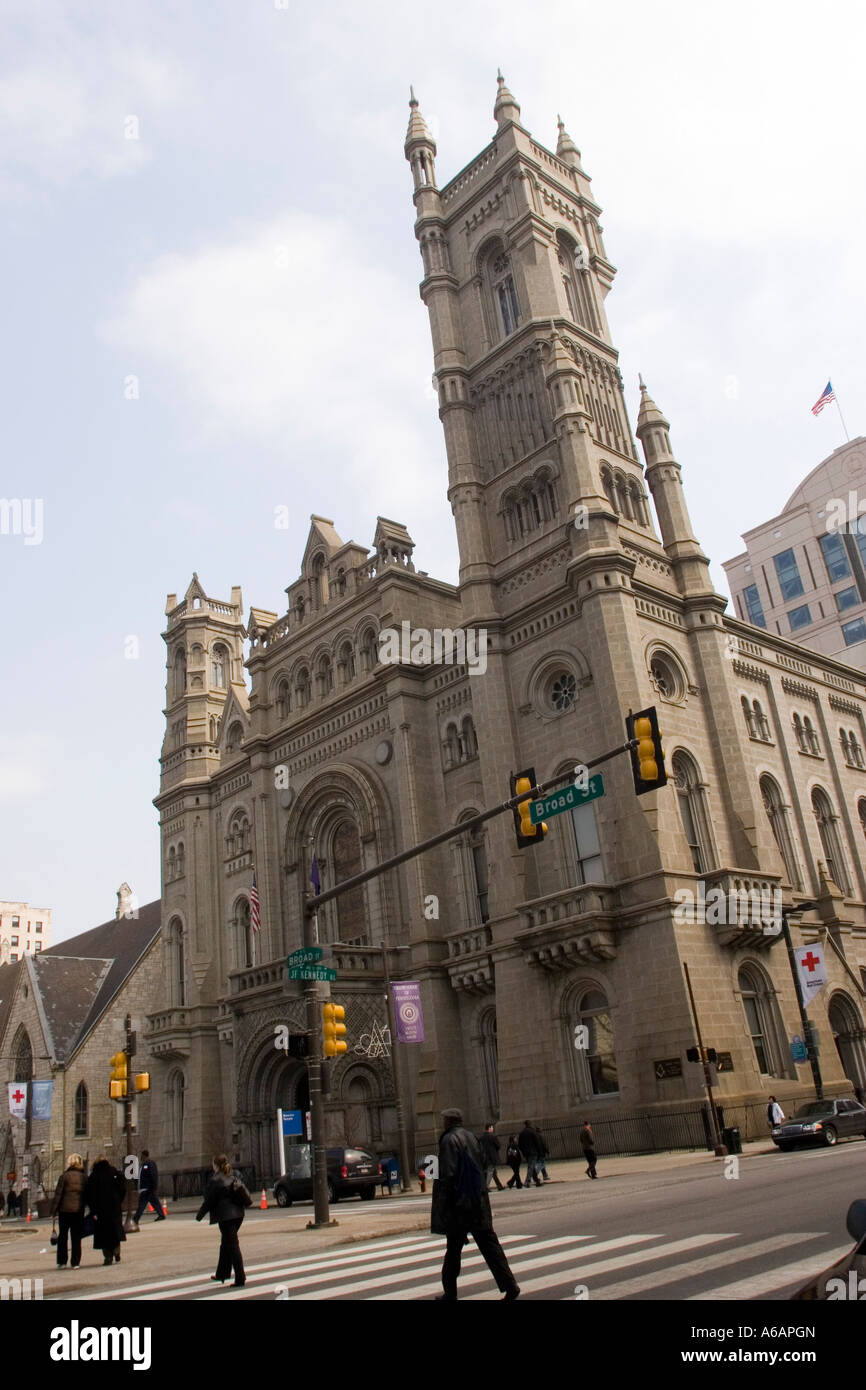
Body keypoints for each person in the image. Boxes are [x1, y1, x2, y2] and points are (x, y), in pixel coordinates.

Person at [431, 1108, 520, 1301]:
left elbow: (448, 1174)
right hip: (477, 1202)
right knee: (490, 1246)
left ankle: (450, 1293)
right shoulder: (472, 1137)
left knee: (453, 1251)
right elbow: (483, 1163)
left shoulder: (449, 1140)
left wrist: (444, 1205)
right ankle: (510, 1285)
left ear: (449, 1122)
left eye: (444, 1120)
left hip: (459, 1206)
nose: (442, 1123)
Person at [196, 1154, 251, 1287]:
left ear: (215, 1165)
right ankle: (222, 1274)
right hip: (238, 1215)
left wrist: (199, 1215)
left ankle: (240, 1277)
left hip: (226, 1217)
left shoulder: (215, 1180)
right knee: (226, 1243)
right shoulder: (233, 1175)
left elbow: (209, 1201)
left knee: (232, 1245)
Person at [84, 1157, 127, 1266]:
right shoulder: (114, 1172)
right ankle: (117, 1252)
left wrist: (93, 1210)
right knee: (115, 1231)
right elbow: (122, 1188)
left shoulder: (94, 1176)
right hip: (114, 1207)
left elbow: (90, 1195)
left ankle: (108, 1257)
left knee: (103, 1234)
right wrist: (118, 1200)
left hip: (100, 1209)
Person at [50, 1153, 86, 1269]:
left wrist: (54, 1211)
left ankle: (62, 1261)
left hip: (64, 1211)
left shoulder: (64, 1176)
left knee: (63, 1236)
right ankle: (75, 1262)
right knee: (76, 1237)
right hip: (78, 1211)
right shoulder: (84, 1177)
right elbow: (87, 1195)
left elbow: (58, 1194)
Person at [132, 1150, 165, 1229]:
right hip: (146, 1188)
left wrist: (153, 1186)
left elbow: (153, 1175)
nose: (141, 1157)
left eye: (142, 1155)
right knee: (154, 1202)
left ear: (144, 1155)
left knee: (142, 1204)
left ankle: (136, 1219)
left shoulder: (149, 1164)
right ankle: (161, 1214)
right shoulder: (144, 1165)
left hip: (147, 1188)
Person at [479, 1123, 504, 1191]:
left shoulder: (481, 1138)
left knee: (493, 1172)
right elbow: (498, 1146)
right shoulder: (493, 1136)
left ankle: (499, 1186)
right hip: (492, 1157)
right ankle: (486, 1187)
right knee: (490, 1171)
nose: (493, 1129)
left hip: (485, 1157)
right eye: (492, 1127)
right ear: (489, 1128)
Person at [518, 1120, 542, 1188]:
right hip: (533, 1152)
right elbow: (537, 1143)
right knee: (531, 1166)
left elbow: (520, 1145)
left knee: (531, 1166)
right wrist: (539, 1152)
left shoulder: (522, 1133)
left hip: (526, 1153)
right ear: (530, 1124)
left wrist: (523, 1151)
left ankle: (536, 1181)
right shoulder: (532, 1132)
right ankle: (527, 1181)